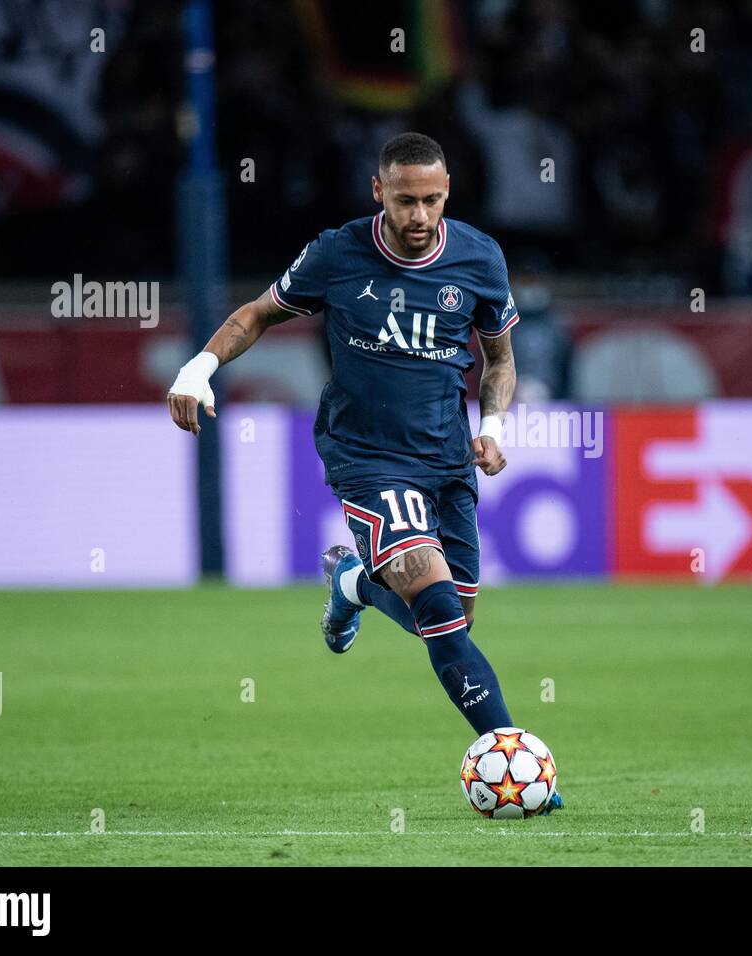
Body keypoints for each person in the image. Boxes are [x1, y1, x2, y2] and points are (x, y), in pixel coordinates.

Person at [167, 132, 562, 813]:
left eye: (432, 200)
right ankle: (510, 758)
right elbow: (257, 315)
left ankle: (352, 583)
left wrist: (493, 428)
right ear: (378, 191)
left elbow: (499, 359)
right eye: (405, 200)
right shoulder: (337, 255)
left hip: (446, 458)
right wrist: (199, 368)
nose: (419, 217)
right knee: (439, 610)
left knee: (452, 619)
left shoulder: (479, 258)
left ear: (447, 195)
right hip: (367, 457)